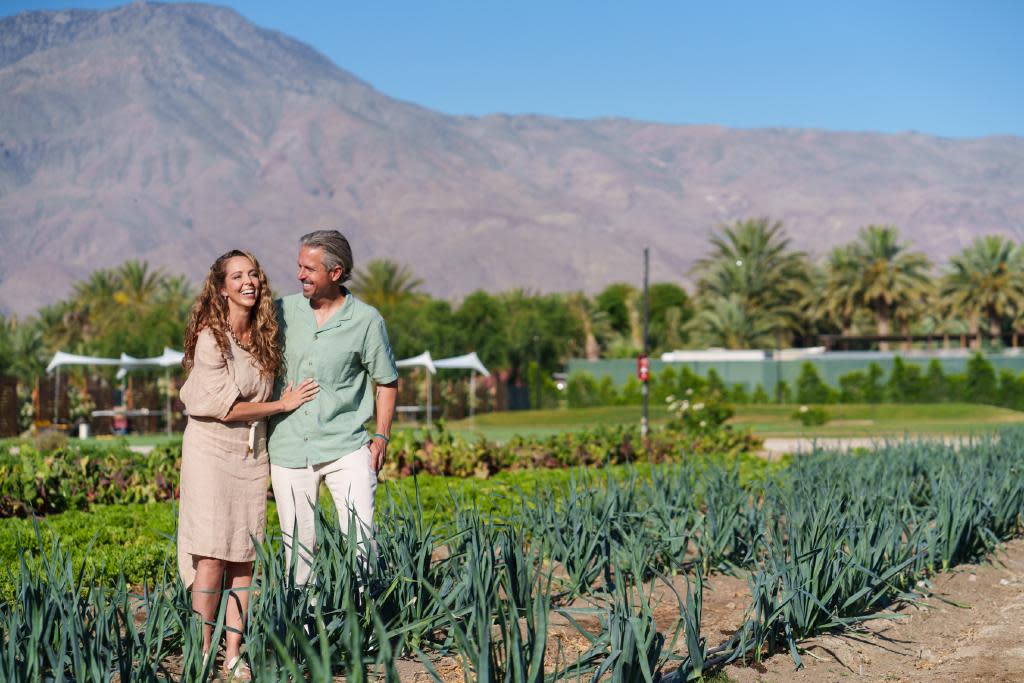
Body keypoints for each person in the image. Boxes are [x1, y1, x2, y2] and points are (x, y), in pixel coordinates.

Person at [178, 249, 318, 679]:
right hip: (210, 452)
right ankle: (202, 651)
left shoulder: (262, 337)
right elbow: (226, 408)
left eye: (253, 273)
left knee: (245, 557)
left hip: (251, 455)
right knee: (212, 555)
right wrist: (284, 403)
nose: (248, 282)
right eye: (237, 276)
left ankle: (233, 653)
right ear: (222, 289)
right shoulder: (211, 338)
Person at [268, 230, 398, 586]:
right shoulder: (280, 312)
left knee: (361, 539)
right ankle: (306, 630)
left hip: (347, 445)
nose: (300, 275)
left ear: (336, 273)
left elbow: (385, 382)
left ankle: (365, 622)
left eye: (309, 269)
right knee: (298, 549)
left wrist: (382, 437)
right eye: (299, 266)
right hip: (289, 447)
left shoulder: (366, 321)